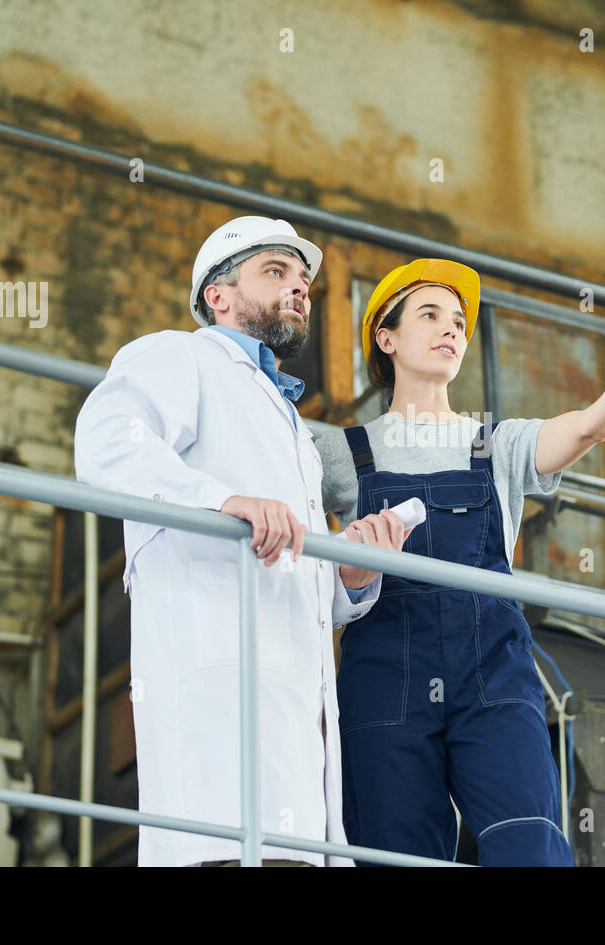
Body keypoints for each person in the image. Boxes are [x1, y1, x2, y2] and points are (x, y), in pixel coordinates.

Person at [316, 253, 605, 865]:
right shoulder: (339, 455)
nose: (450, 330)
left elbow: (593, 427)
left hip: (492, 675)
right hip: (385, 679)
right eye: (430, 314)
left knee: (528, 843)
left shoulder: (500, 445)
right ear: (386, 337)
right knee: (393, 851)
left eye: (459, 321)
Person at [74, 215, 409, 866]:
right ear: (218, 296)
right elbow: (107, 442)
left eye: (303, 279)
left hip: (296, 724)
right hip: (220, 710)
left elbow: (290, 574)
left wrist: (351, 579)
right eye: (276, 272)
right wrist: (218, 500)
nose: (299, 288)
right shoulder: (179, 356)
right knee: (227, 844)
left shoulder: (289, 425)